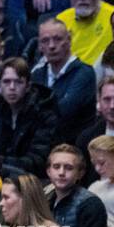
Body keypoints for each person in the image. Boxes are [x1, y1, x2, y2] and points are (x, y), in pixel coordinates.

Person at [30, 19, 97, 147]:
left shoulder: (84, 73)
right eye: (45, 41)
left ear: (69, 40)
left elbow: (64, 112)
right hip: (43, 147)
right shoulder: (37, 75)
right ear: (40, 46)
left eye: (57, 39)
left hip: (75, 148)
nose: (51, 46)